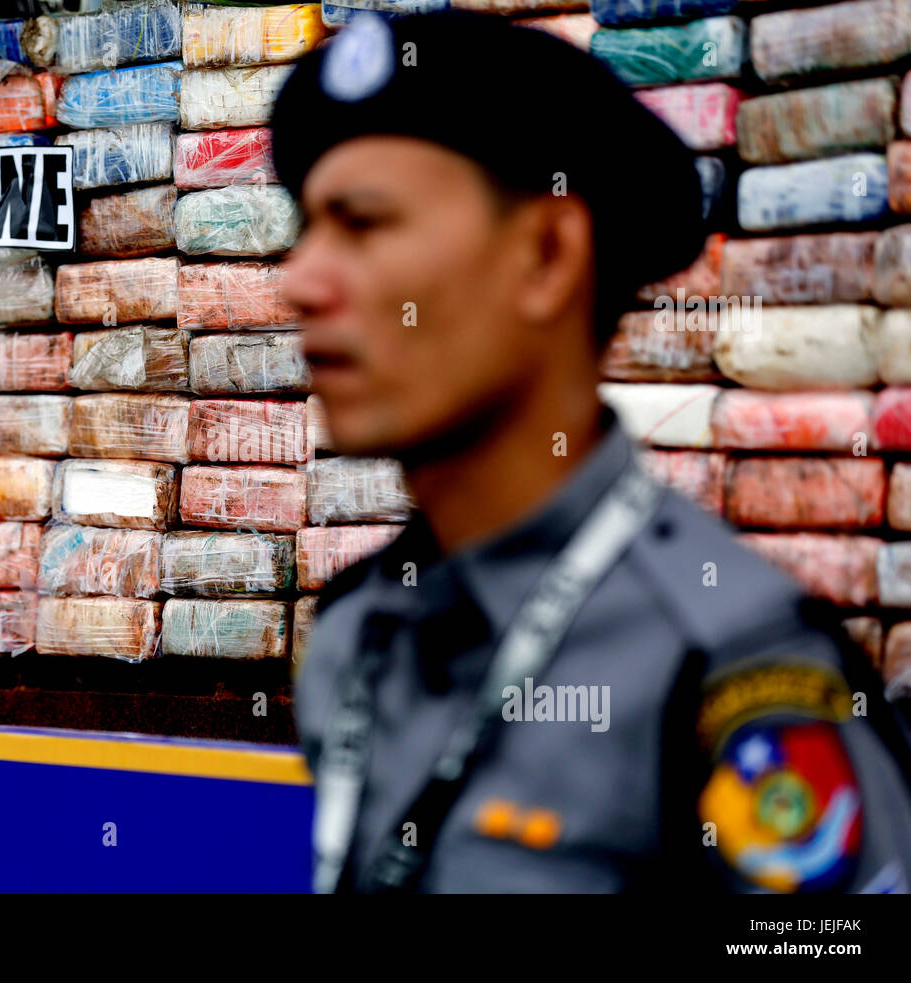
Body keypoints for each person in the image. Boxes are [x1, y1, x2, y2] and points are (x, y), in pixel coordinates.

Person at [270, 9, 911, 893]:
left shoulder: (733, 673)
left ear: (546, 255)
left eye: (365, 224)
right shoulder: (361, 633)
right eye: (306, 227)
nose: (298, 280)